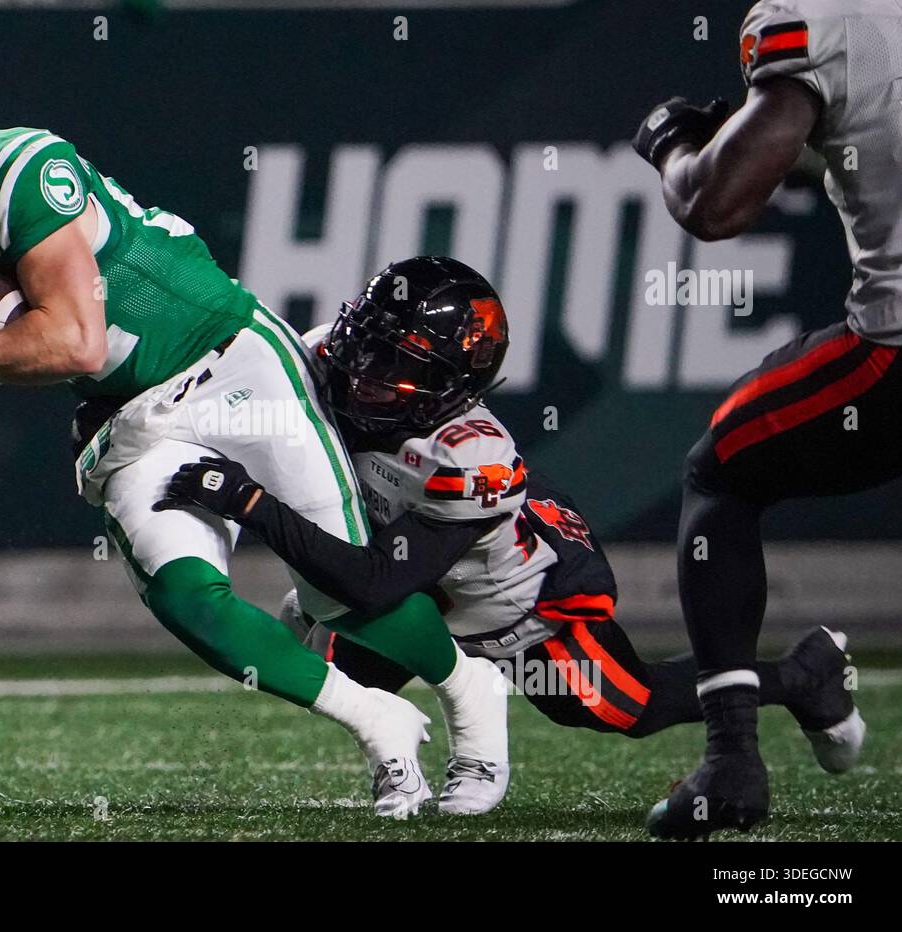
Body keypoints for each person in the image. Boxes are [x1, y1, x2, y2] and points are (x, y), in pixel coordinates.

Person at [0, 50, 500, 817]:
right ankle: (380, 725)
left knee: (340, 585)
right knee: (190, 598)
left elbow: (74, 340)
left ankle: (473, 697)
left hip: (229, 360)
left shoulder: (22, 174)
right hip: (133, 414)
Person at [156, 256, 863, 815]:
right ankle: (408, 759)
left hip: (514, 601)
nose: (362, 372)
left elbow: (376, 581)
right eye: (363, 344)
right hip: (415, 580)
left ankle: (802, 677)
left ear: (451, 385)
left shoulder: (465, 457)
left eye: (394, 364)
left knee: (618, 705)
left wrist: (250, 501)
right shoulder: (323, 365)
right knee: (332, 665)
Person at [630, 0, 893, 837]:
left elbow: (716, 206)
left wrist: (674, 143)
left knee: (720, 472)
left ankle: (731, 762)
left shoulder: (817, 17)